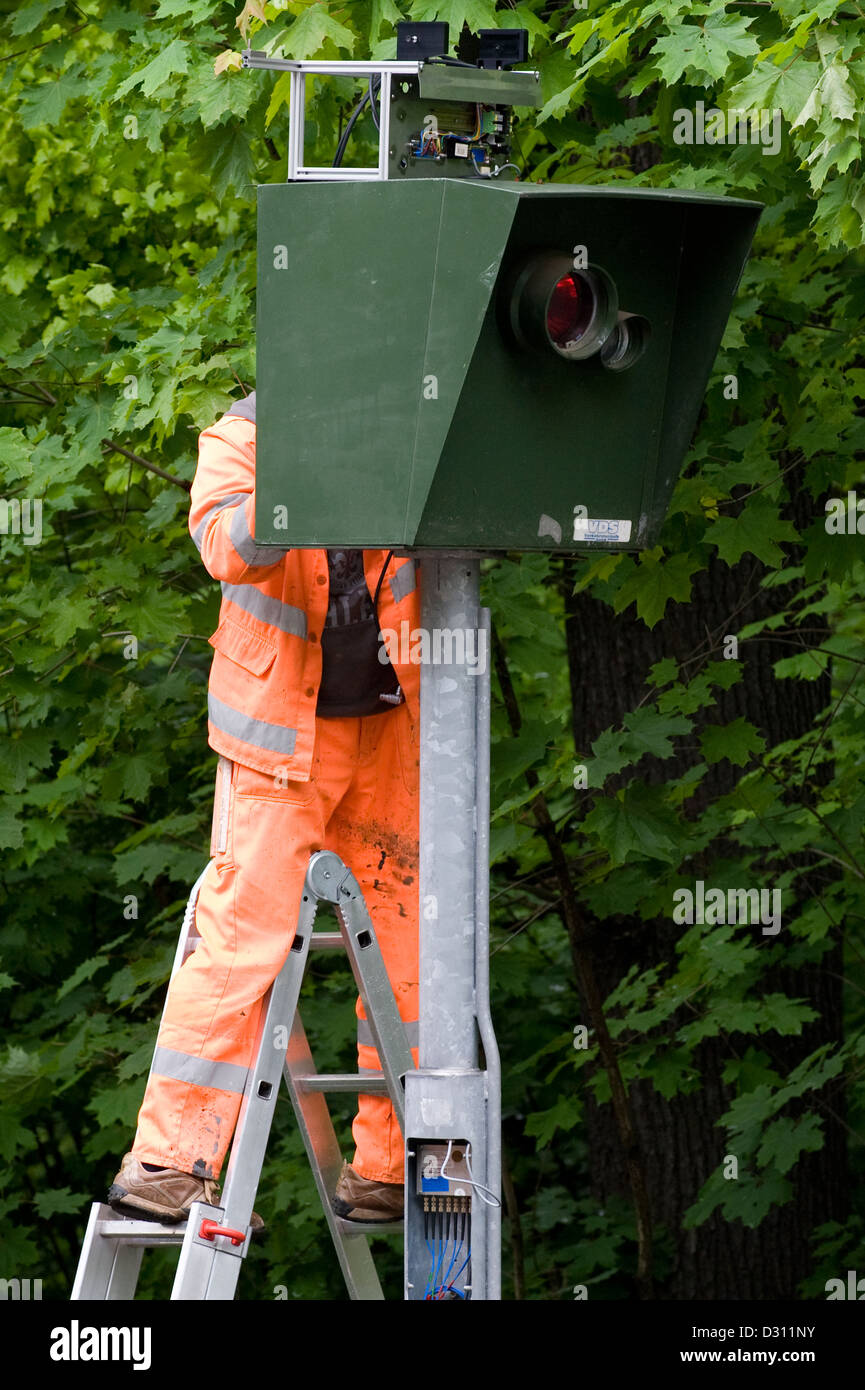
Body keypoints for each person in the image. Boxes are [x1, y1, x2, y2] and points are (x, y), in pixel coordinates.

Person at [106, 390, 421, 1228]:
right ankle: (174, 1159)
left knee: (407, 940)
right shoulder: (242, 437)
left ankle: (394, 1163)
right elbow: (223, 545)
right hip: (284, 738)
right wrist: (307, 459)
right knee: (242, 935)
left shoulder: (411, 423)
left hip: (390, 729)